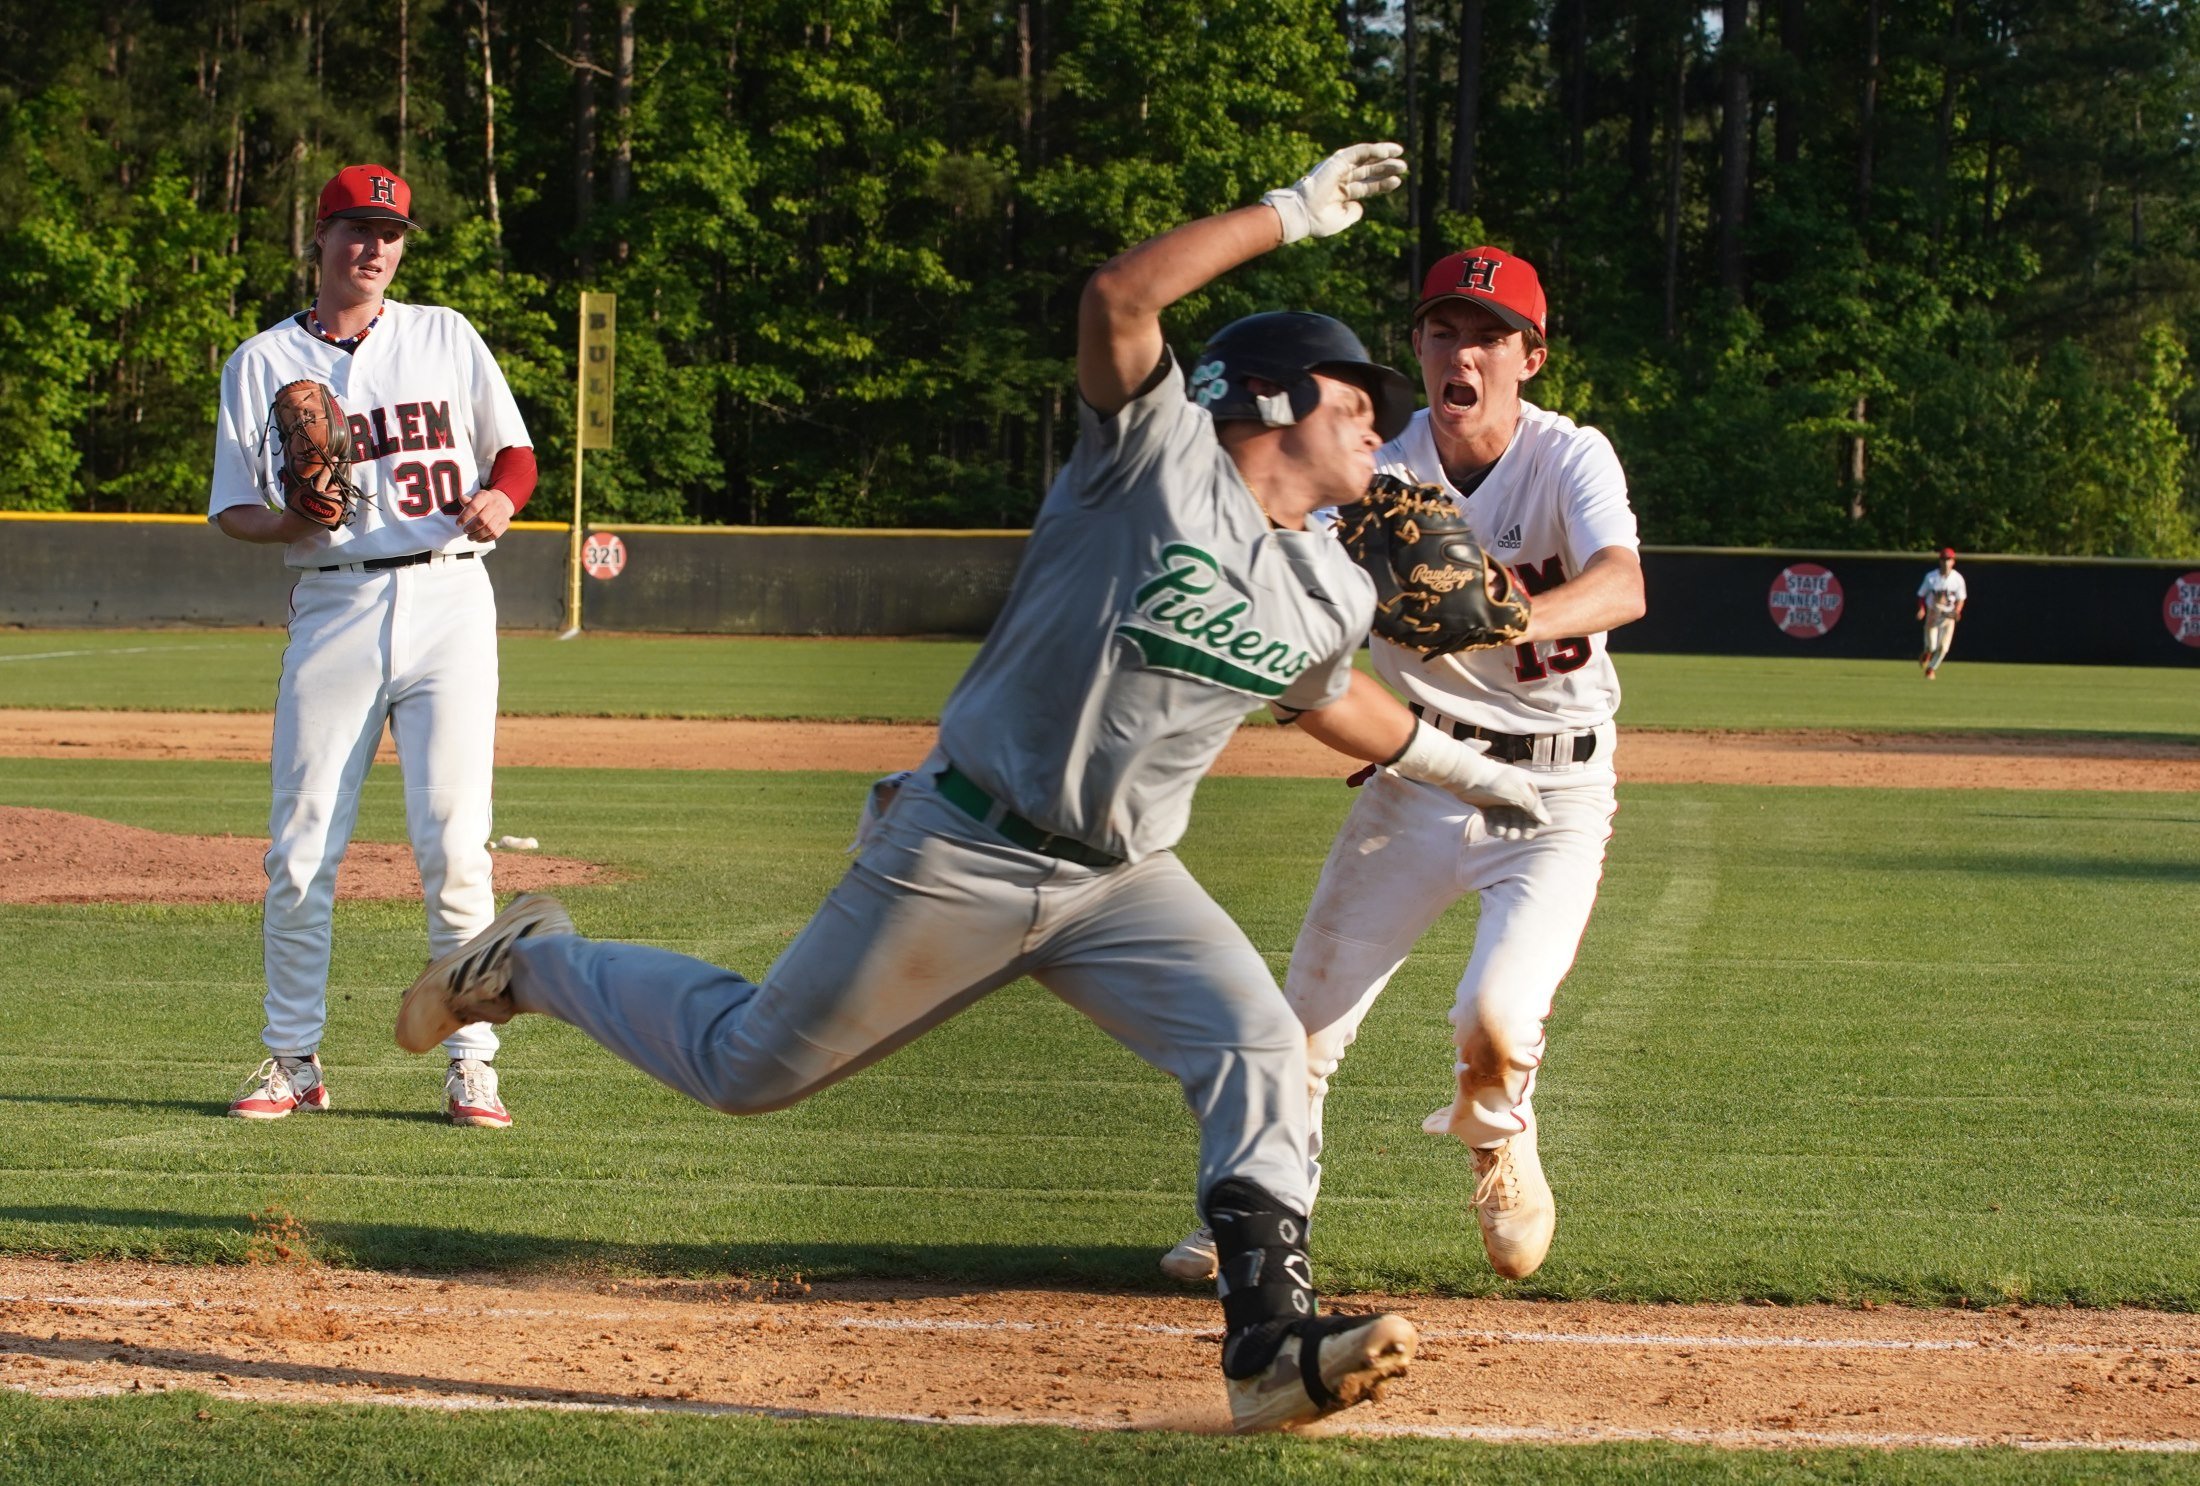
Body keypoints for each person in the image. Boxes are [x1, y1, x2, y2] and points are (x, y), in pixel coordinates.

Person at [390, 144, 1554, 1432]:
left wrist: (1466, 769)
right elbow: (1119, 299)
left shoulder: (1333, 579)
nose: (1376, 422)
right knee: (744, 1068)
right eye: (1355, 395)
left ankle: (1268, 1346)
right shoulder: (1150, 460)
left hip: (1122, 883)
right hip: (963, 848)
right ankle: (534, 961)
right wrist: (1289, 213)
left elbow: (1325, 696)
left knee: (1260, 1049)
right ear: (1271, 397)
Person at [1160, 245, 1645, 1287]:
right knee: (1306, 1022)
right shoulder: (1375, 462)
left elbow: (1620, 585)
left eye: (1485, 335)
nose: (1459, 353)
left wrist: (1507, 616)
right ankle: (1253, 1215)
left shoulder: (1570, 457)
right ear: (1418, 347)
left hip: (1554, 792)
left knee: (1498, 1014)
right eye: (1441, 331)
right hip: (1417, 778)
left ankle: (1499, 1136)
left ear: (1530, 356)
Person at [208, 163, 538, 1127]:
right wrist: (287, 524)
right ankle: (292, 1057)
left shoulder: (445, 334)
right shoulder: (262, 360)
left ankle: (473, 1059)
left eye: (389, 233)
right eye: (355, 229)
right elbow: (234, 507)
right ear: (318, 241)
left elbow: (514, 451)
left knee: (454, 846)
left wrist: (501, 500)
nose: (374, 248)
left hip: (448, 599)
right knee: (302, 848)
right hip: (333, 604)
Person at [1917, 547, 1966, 680]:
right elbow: (1921, 595)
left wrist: (1957, 610)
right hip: (1933, 613)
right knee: (1932, 646)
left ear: (1953, 561)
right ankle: (1927, 653)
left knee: (1943, 648)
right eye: (1943, 559)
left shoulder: (1957, 578)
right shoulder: (1931, 577)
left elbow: (1961, 598)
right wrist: (1921, 609)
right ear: (1940, 560)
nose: (1946, 562)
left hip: (1948, 616)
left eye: (1948, 559)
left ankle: (1931, 669)